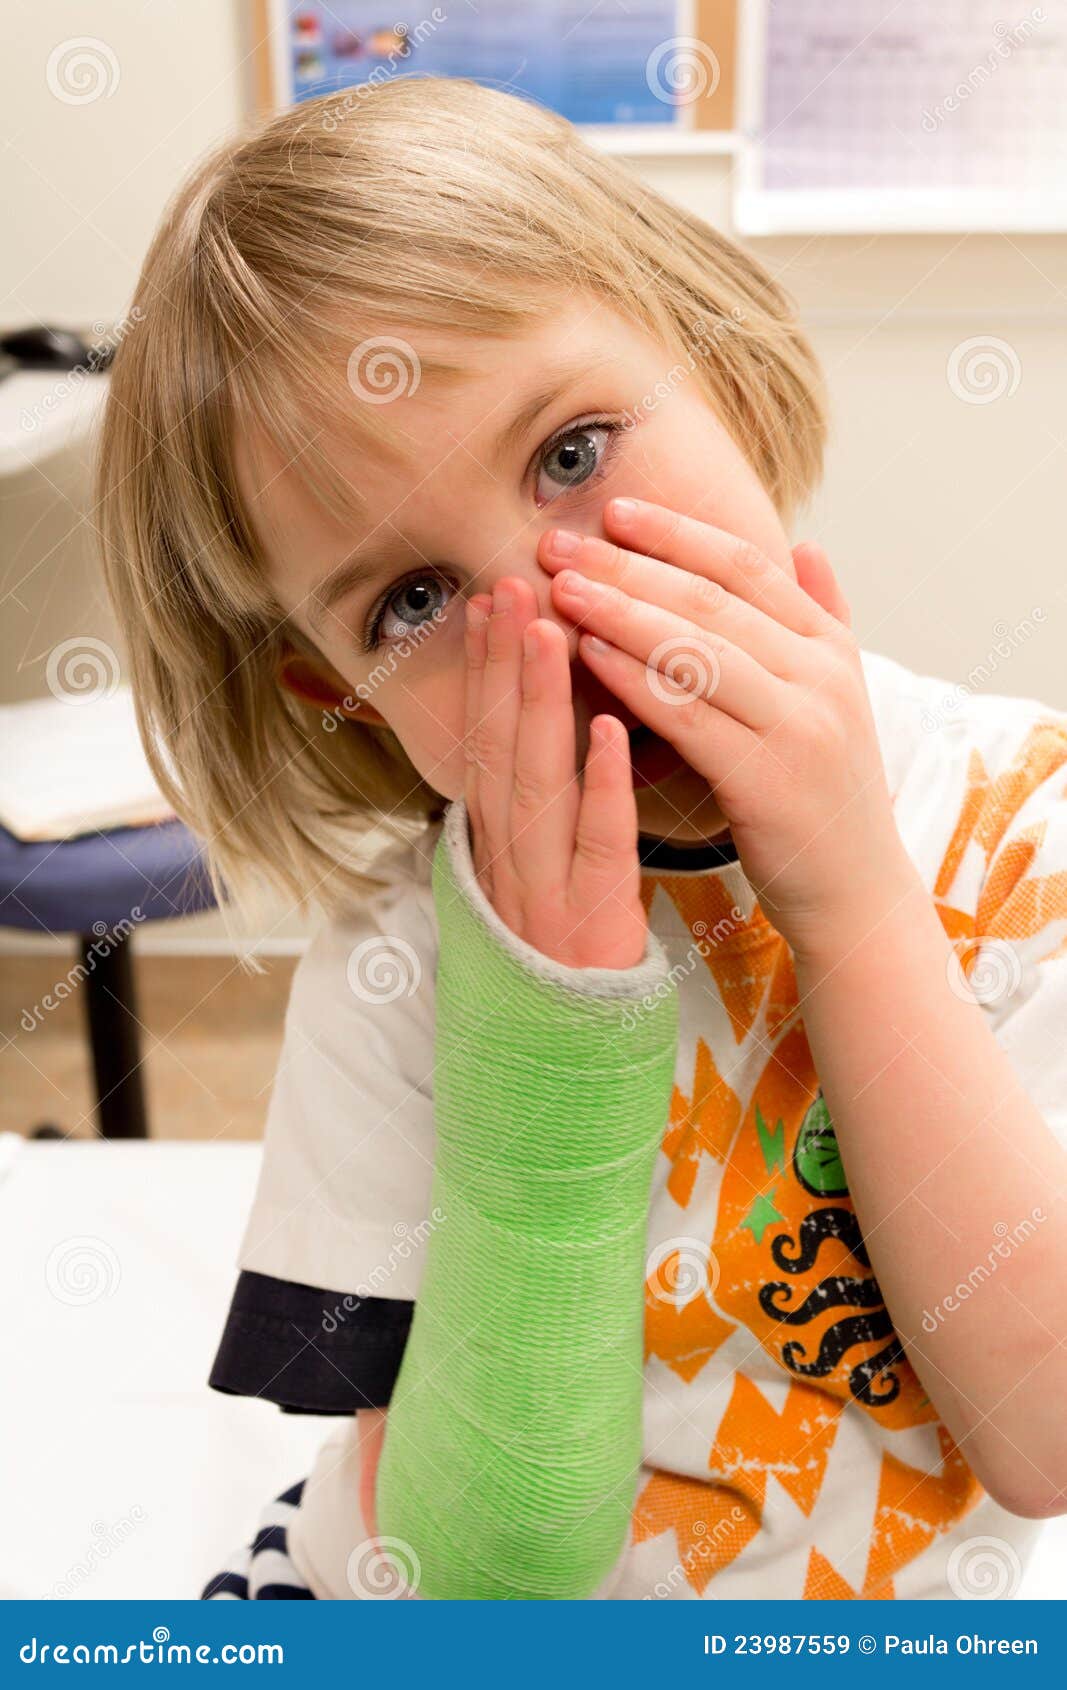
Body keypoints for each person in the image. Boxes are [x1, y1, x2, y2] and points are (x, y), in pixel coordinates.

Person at [95, 75, 1067, 1602]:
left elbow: (1048, 1432)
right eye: (412, 603)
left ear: (728, 375)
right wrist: (541, 1046)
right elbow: (479, 1564)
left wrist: (865, 909)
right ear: (347, 701)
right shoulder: (403, 943)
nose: (545, 615)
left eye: (571, 452)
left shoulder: (1022, 835)